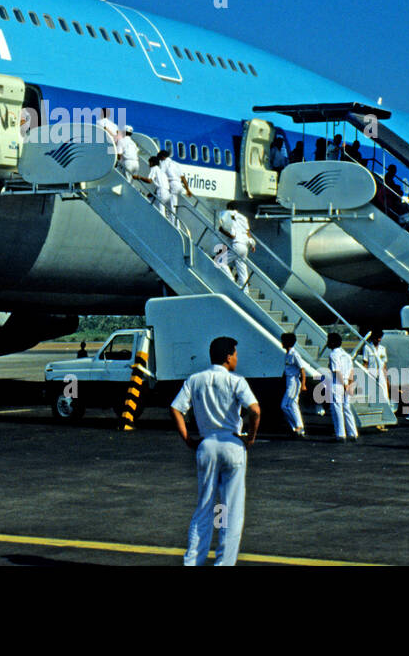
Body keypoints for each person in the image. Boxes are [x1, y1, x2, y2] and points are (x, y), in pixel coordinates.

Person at [170, 337, 261, 566]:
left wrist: (188, 439)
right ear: (228, 356)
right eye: (236, 355)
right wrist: (251, 437)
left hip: (207, 445)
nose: (237, 359)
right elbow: (255, 411)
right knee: (230, 512)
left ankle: (192, 561)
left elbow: (176, 408)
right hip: (232, 445)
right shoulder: (236, 381)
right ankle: (223, 563)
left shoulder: (195, 379)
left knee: (205, 507)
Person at [280, 332, 320, 437]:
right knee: (292, 405)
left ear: (287, 343)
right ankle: (298, 429)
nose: (281, 343)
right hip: (289, 381)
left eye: (283, 341)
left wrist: (303, 384)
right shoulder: (287, 354)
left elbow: (302, 370)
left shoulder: (294, 354)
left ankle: (298, 426)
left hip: (294, 382)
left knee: (285, 405)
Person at [325, 332, 358, 441]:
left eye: (329, 341)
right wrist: (349, 385)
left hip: (338, 384)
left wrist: (344, 386)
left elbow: (337, 371)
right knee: (347, 408)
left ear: (333, 342)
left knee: (337, 409)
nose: (327, 343)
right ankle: (353, 433)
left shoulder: (333, 355)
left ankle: (340, 434)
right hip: (347, 383)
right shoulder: (346, 355)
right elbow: (351, 371)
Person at [216, 201, 255, 287]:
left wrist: (222, 231)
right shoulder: (243, 218)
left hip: (237, 244)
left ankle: (231, 279)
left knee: (219, 261)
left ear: (228, 208)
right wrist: (252, 245)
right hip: (245, 246)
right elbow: (248, 233)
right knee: (242, 269)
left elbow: (232, 235)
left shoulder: (228, 215)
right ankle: (245, 291)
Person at [360, 331, 390, 429]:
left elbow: (384, 365)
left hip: (381, 374)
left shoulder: (382, 349)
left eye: (380, 338)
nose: (379, 340)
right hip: (371, 373)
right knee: (373, 396)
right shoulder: (367, 348)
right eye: (377, 338)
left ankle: (383, 421)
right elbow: (365, 363)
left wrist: (386, 379)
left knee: (384, 396)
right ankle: (375, 420)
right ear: (373, 338)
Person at [156, 149, 191, 225]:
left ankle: (173, 224)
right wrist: (188, 189)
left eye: (160, 158)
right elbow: (183, 177)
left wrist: (157, 188)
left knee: (172, 206)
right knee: (173, 205)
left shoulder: (164, 163)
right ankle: (175, 223)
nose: (160, 160)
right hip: (179, 185)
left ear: (162, 157)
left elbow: (161, 175)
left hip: (172, 185)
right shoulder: (175, 164)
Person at [139, 154, 172, 221]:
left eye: (149, 163)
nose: (149, 165)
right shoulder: (161, 172)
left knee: (161, 212)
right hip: (167, 193)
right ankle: (168, 218)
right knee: (150, 199)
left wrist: (139, 177)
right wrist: (152, 194)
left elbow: (149, 180)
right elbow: (161, 184)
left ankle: (162, 221)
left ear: (152, 163)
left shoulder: (154, 168)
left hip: (161, 192)